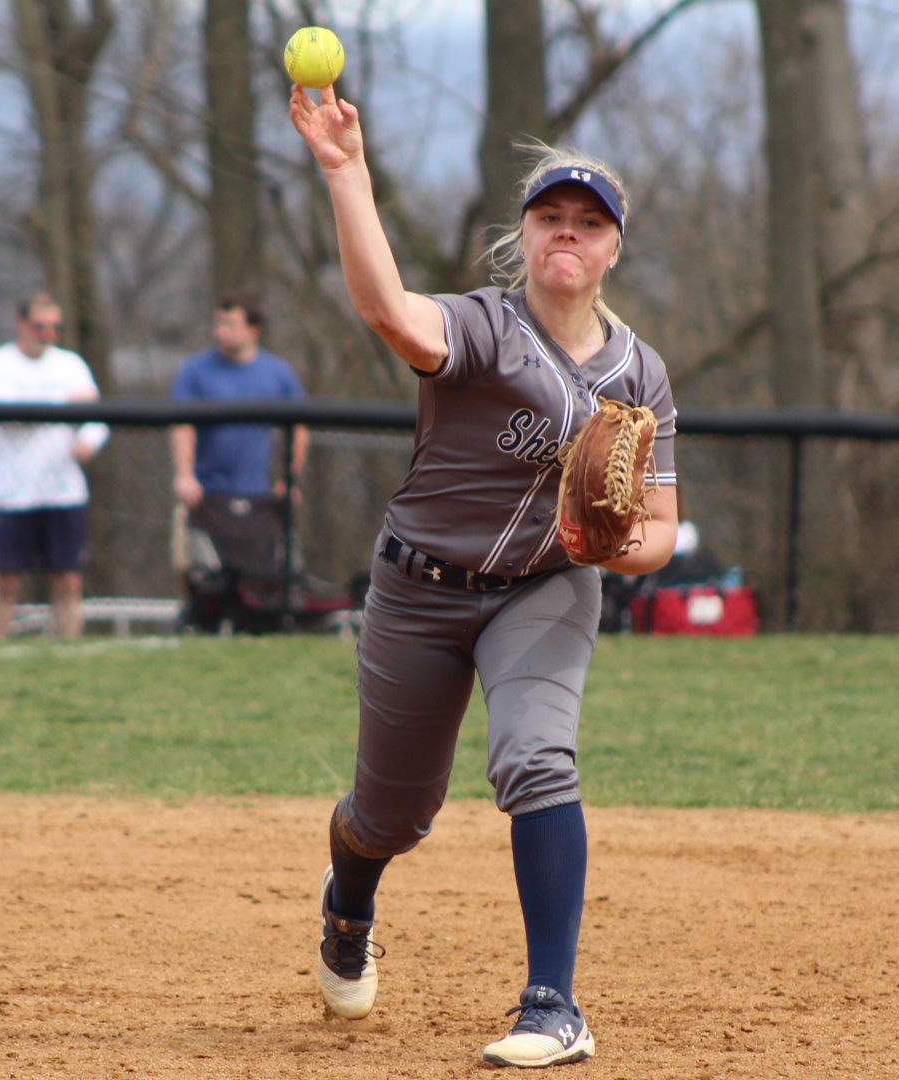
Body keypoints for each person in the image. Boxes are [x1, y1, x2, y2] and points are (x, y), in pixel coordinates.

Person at [289, 85, 679, 1068]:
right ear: (526, 232)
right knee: (390, 815)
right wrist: (345, 172)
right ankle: (349, 905)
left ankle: (554, 1004)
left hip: (545, 587)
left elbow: (663, 531)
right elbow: (386, 310)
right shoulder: (481, 328)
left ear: (612, 249)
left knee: (536, 761)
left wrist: (612, 549)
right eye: (552, 216)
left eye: (589, 224)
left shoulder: (641, 375)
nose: (569, 234)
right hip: (420, 589)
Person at [0, 291, 110, 639]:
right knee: (6, 580)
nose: (48, 335)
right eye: (40, 326)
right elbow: (11, 418)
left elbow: (97, 417)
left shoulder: (71, 365)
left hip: (63, 490)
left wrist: (89, 441)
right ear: (20, 325)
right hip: (12, 491)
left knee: (67, 580)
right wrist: (65, 401)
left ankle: (69, 652)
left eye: (55, 328)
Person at [169, 295, 309, 573]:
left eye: (231, 325)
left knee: (268, 575)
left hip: (258, 500)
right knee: (192, 571)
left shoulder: (278, 373)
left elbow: (299, 429)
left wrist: (289, 479)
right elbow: (182, 427)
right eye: (218, 324)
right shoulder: (194, 371)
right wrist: (184, 475)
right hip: (204, 498)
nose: (221, 332)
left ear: (253, 329)